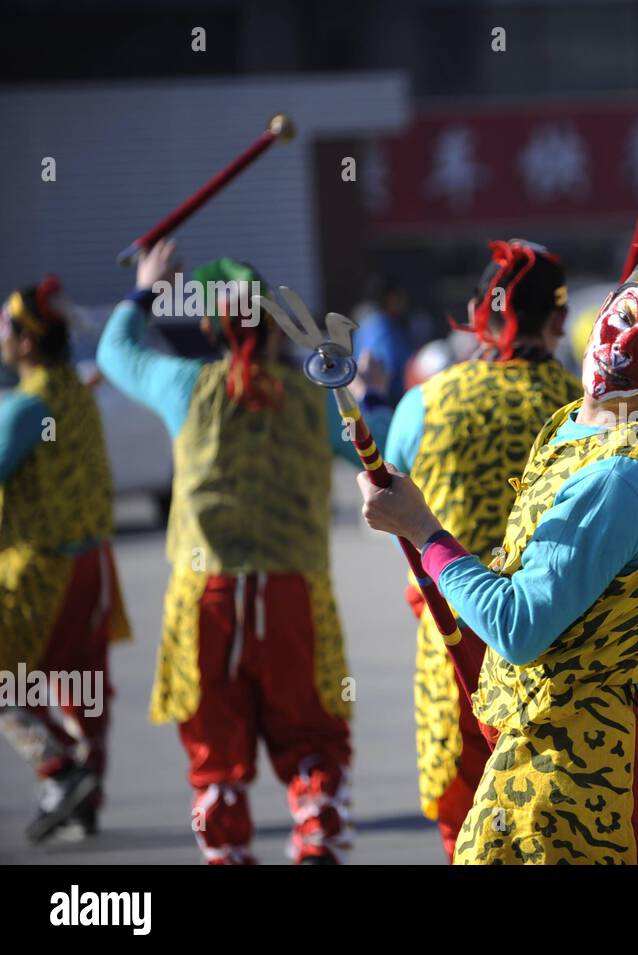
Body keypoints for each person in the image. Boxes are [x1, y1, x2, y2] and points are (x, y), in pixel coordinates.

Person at [359, 233, 638, 864]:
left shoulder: (619, 474)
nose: (622, 346)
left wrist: (423, 531)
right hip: (628, 735)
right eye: (624, 316)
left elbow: (520, 626)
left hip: (577, 776)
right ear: (589, 312)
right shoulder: (632, 423)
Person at [96, 240, 386, 864]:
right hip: (292, 598)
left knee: (217, 762)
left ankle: (227, 850)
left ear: (212, 325)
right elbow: (382, 450)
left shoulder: (185, 386)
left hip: (208, 597)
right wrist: (369, 397)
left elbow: (114, 352)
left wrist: (146, 288)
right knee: (312, 739)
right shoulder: (318, 400)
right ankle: (317, 829)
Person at [384, 239, 582, 860]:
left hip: (450, 634)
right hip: (557, 644)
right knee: (556, 823)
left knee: (468, 824)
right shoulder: (585, 409)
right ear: (559, 321)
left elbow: (390, 508)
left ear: (477, 312)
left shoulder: (425, 403)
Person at [0, 275, 131, 844]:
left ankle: (61, 770)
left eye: (7, 327)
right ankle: (86, 791)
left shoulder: (29, 405)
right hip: (92, 565)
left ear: (27, 342)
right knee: (82, 686)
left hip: (39, 569)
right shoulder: (75, 392)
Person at [352, 275, 413, 408]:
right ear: (390, 299)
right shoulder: (381, 328)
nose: (404, 301)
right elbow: (386, 372)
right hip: (384, 406)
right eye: (400, 297)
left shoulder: (375, 324)